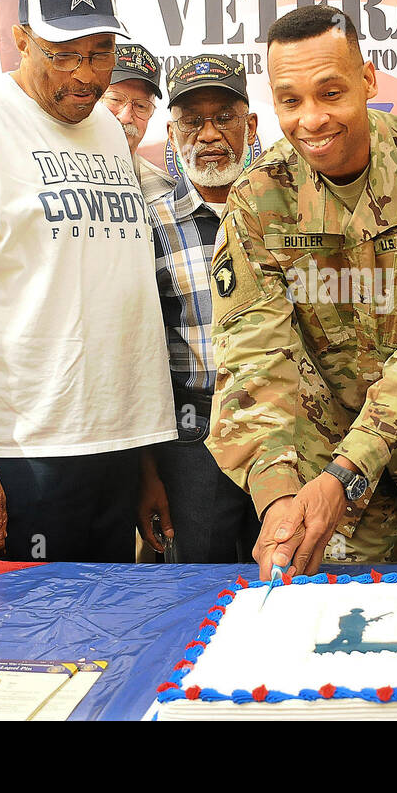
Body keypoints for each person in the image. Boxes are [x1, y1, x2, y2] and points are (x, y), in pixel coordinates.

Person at [207, 4, 397, 579]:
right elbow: (252, 354)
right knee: (345, 644)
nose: (311, 119)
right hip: (328, 488)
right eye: (290, 100)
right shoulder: (257, 197)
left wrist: (351, 469)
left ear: (369, 80)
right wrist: (277, 498)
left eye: (330, 92)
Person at [0, 0, 176, 563]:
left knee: (106, 644)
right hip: (23, 453)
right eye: (64, 54)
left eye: (101, 52)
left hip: (114, 447)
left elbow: (111, 293)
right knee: (28, 652)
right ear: (21, 41)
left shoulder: (107, 130)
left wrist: (141, 462)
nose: (86, 76)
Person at [140, 54, 260, 563]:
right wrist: (145, 471)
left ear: (250, 126)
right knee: (193, 587)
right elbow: (137, 354)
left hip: (284, 430)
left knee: (288, 580)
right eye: (192, 122)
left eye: (224, 118)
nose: (209, 135)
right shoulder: (151, 225)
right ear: (172, 134)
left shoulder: (286, 209)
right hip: (191, 437)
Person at [102, 42, 172, 201]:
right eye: (115, 99)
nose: (126, 117)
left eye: (141, 106)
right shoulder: (53, 174)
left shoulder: (165, 194)